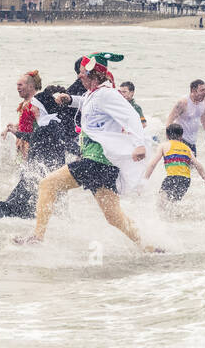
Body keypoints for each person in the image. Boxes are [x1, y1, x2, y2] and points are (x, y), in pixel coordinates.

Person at [15, 52, 158, 252]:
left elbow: (131, 115)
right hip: (104, 165)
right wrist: (69, 99)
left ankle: (38, 237)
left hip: (96, 161)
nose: (79, 76)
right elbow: (88, 103)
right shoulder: (96, 93)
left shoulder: (107, 94)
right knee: (113, 217)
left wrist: (139, 144)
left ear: (95, 74)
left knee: (48, 184)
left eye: (83, 73)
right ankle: (149, 247)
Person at [0, 70, 66, 218]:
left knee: (29, 180)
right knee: (29, 182)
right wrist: (13, 129)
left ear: (31, 86)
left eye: (20, 85)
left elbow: (39, 130)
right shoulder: (28, 104)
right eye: (17, 85)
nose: (18, 87)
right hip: (29, 146)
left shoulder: (37, 103)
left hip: (33, 147)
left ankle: (28, 211)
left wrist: (21, 136)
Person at [146, 122, 205, 202]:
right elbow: (198, 165)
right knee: (173, 203)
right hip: (185, 180)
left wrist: (145, 179)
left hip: (172, 177)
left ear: (167, 135)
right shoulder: (187, 148)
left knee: (161, 202)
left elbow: (153, 164)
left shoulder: (164, 146)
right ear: (181, 136)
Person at [166, 79, 205, 152]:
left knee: (193, 162)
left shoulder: (204, 101)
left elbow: (203, 116)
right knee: (183, 163)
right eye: (202, 90)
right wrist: (168, 139)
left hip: (192, 141)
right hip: (180, 140)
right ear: (193, 90)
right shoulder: (183, 103)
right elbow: (170, 119)